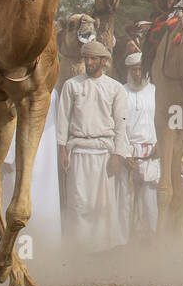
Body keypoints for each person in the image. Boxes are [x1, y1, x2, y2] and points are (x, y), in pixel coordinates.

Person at [57, 41, 130, 250]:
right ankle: (79, 250)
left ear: (103, 61)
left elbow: (120, 124)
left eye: (93, 59)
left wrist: (118, 154)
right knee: (79, 204)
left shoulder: (115, 88)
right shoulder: (72, 85)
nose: (88, 62)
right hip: (78, 151)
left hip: (104, 153)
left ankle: (103, 252)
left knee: (103, 207)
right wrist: (62, 150)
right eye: (86, 58)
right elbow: (63, 119)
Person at [120, 52, 159, 236]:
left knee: (150, 202)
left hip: (151, 152)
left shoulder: (155, 92)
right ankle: (126, 241)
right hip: (127, 155)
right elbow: (117, 125)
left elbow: (164, 121)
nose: (137, 73)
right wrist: (125, 153)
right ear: (128, 71)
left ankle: (151, 240)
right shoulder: (121, 92)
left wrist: (160, 145)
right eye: (133, 70)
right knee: (126, 201)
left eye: (140, 69)